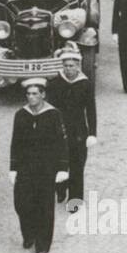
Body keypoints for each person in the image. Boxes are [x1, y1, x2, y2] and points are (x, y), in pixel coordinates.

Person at [9, 77, 69, 253]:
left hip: (46, 168)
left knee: (44, 206)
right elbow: (15, 142)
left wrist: (62, 168)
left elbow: (62, 143)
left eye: (35, 94)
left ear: (43, 94)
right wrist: (13, 167)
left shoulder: (53, 115)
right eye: (28, 94)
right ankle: (29, 234)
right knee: (22, 203)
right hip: (26, 168)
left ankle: (43, 243)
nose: (31, 97)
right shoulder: (21, 115)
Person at [48, 48, 96, 213]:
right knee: (59, 163)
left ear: (78, 66)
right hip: (59, 131)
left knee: (77, 166)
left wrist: (92, 133)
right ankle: (61, 189)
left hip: (78, 132)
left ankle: (75, 200)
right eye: (66, 65)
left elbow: (91, 109)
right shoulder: (54, 84)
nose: (69, 69)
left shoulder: (85, 84)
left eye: (72, 66)